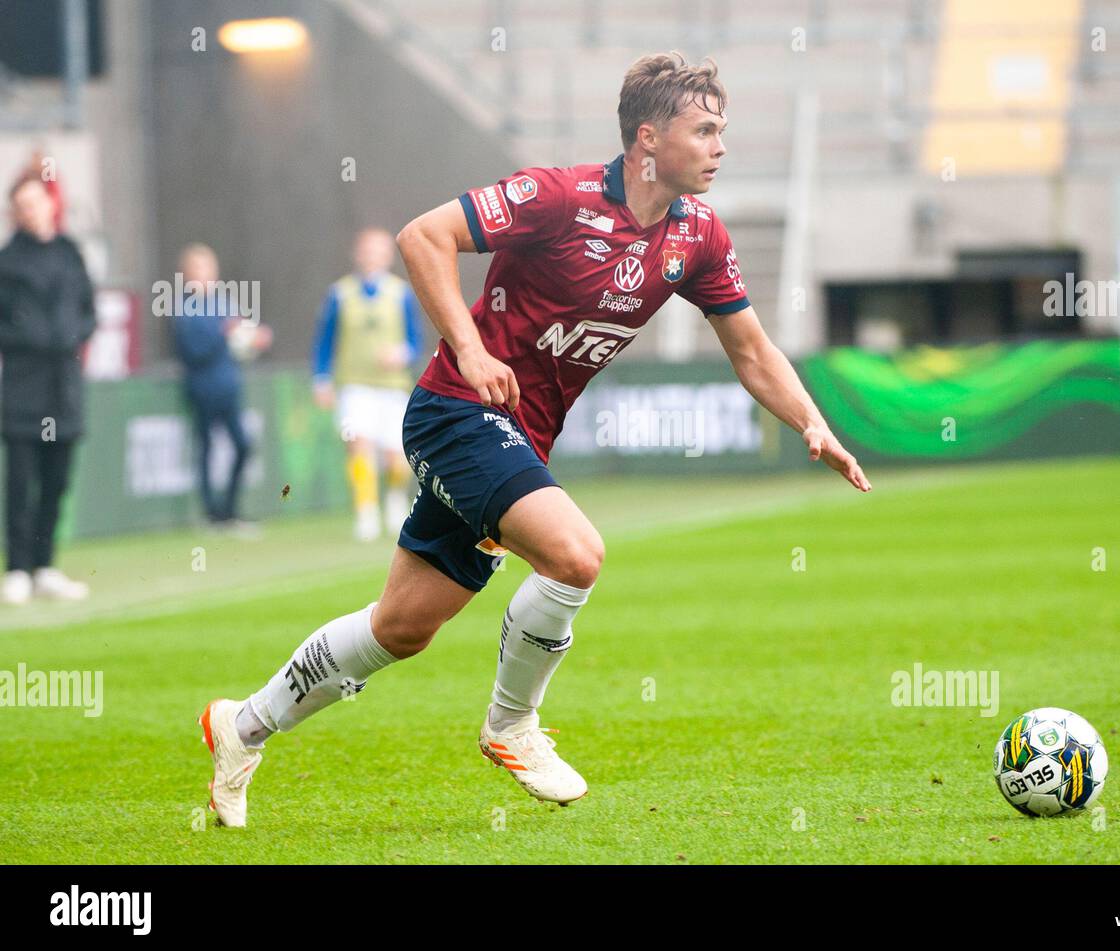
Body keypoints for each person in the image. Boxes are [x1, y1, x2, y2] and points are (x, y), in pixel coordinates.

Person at [198, 52, 870, 827]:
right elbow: (424, 236)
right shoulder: (559, 197)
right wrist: (472, 348)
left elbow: (752, 351)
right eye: (706, 130)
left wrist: (813, 422)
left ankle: (239, 726)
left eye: (723, 130)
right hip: (454, 412)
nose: (721, 146)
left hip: (518, 436)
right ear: (648, 138)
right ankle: (511, 724)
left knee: (402, 627)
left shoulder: (697, 236)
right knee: (576, 553)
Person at [0, 176, 95, 605]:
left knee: (57, 480)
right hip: (23, 389)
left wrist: (72, 334)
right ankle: (17, 568)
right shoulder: (7, 262)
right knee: (21, 481)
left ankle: (45, 565)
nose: (30, 210)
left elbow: (88, 312)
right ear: (14, 212)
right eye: (22, 205)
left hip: (63, 389)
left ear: (48, 205)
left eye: (35, 202)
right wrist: (27, 335)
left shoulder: (70, 253)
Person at [311, 228, 422, 541]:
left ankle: (395, 499)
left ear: (388, 256)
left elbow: (415, 340)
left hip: (392, 386)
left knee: (393, 454)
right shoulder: (340, 293)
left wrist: (401, 354)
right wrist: (321, 379)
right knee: (358, 443)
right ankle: (366, 510)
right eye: (366, 250)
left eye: (378, 251)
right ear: (356, 254)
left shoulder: (401, 293)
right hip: (354, 385)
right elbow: (324, 340)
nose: (371, 257)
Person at [172, 243, 269, 529]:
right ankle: (211, 514)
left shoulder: (224, 302)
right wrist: (223, 333)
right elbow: (193, 350)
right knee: (206, 449)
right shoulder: (184, 308)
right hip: (202, 388)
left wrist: (255, 338)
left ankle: (229, 510)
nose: (205, 276)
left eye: (208, 269)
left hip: (228, 385)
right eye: (198, 270)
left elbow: (240, 341)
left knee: (242, 445)